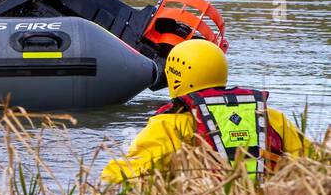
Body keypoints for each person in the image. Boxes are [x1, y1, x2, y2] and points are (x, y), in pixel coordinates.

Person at [102, 39, 311, 183]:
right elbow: (316, 162)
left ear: (175, 76)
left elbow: (129, 174)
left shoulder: (172, 124)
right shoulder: (271, 117)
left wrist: (103, 172)